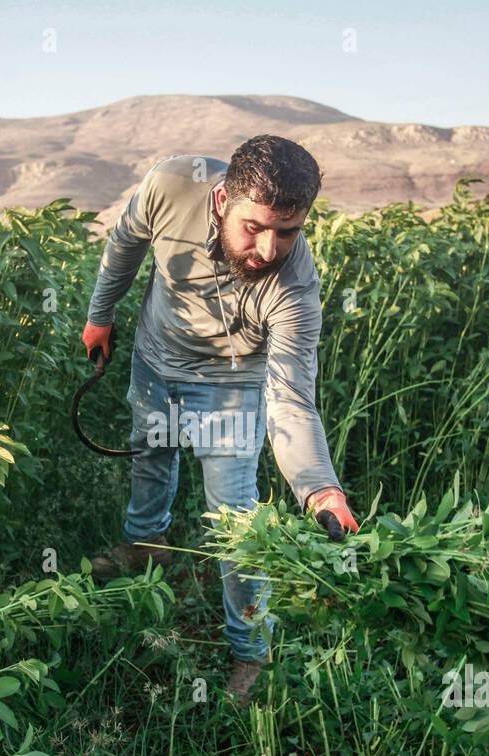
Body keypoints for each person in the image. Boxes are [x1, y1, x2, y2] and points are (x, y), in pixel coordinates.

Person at [81, 134, 358, 706]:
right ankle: (145, 543)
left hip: (232, 386)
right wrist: (99, 316)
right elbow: (125, 243)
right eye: (255, 226)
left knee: (235, 518)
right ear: (221, 200)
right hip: (156, 356)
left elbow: (290, 402)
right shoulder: (171, 185)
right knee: (148, 451)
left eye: (289, 231)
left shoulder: (294, 289)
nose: (269, 248)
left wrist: (320, 491)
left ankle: (251, 651)